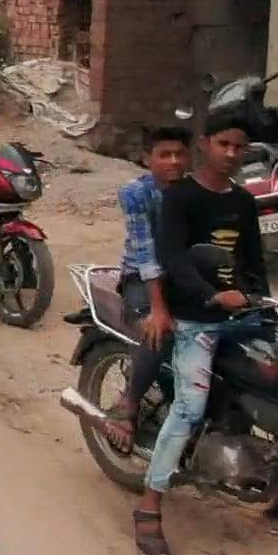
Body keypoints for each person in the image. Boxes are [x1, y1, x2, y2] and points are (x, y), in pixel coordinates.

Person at [132, 112, 268, 555]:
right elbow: (172, 257)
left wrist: (259, 301)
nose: (232, 153)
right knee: (188, 407)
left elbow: (254, 264)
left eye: (239, 147)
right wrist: (212, 296)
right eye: (224, 144)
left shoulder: (245, 202)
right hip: (194, 318)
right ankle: (149, 504)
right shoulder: (180, 198)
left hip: (239, 314)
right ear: (206, 145)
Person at [101, 124, 193, 456]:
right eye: (164, 155)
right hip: (141, 279)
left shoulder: (195, 191)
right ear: (147, 158)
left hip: (185, 276)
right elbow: (146, 253)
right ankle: (128, 403)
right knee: (160, 333)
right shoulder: (136, 193)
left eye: (180, 154)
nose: (173, 162)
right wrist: (158, 308)